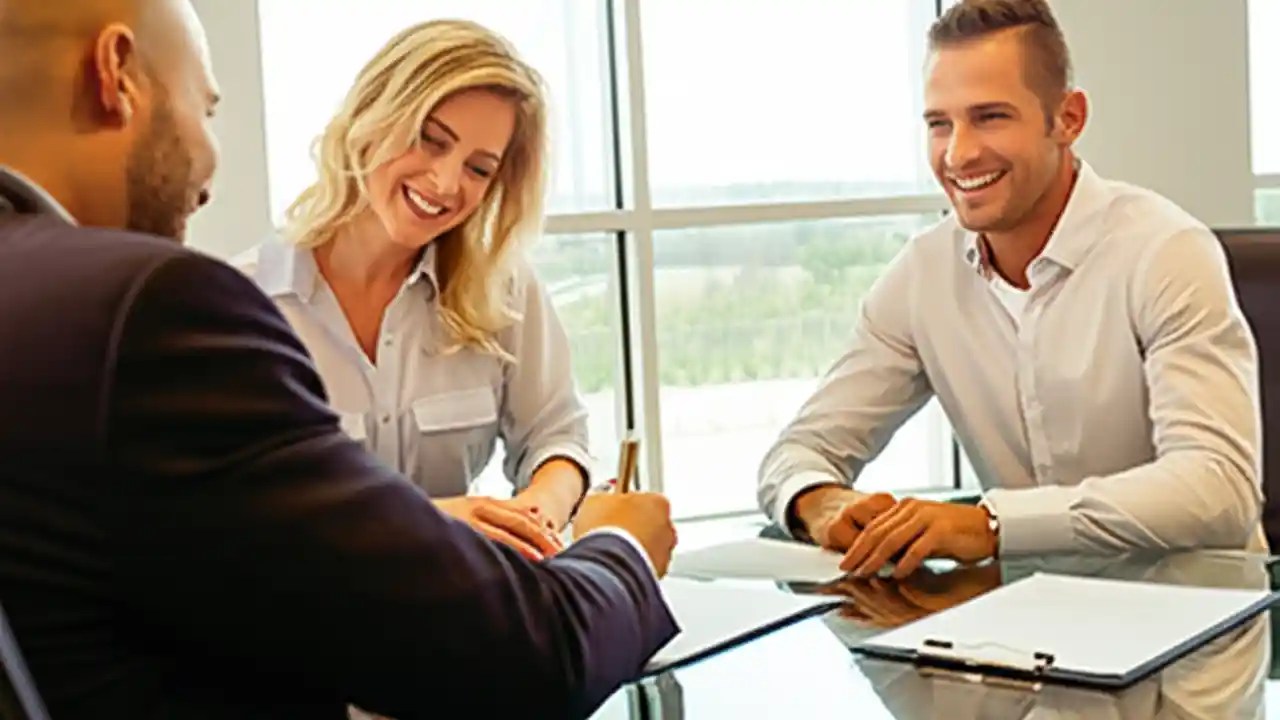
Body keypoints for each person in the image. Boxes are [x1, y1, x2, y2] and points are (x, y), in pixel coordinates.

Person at [0, 1, 678, 717]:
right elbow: (530, 656)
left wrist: (540, 514)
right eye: (206, 107)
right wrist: (619, 547)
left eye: (479, 167)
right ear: (115, 76)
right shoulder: (181, 307)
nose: (211, 161)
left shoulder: (43, 293)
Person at [758, 0, 1264, 578]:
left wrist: (992, 524)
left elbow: (1218, 487)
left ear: (1068, 118)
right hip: (1023, 627)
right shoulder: (921, 275)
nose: (958, 153)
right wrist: (818, 502)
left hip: (1196, 633)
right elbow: (797, 452)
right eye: (939, 123)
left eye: (991, 116)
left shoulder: (1166, 252)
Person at [233, 20, 588, 562]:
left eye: (479, 168)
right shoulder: (243, 300)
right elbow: (241, 506)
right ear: (373, 118)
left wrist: (535, 514)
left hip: (457, 612)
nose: (447, 184)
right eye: (431, 140)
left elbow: (557, 437)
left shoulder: (504, 288)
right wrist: (440, 518)